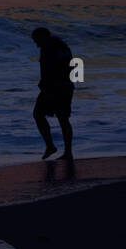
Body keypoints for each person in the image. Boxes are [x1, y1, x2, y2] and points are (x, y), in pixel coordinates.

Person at [31, 26, 75, 160]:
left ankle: (50, 145)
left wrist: (44, 85)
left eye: (36, 40)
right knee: (63, 119)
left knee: (38, 114)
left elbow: (48, 69)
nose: (36, 44)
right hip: (67, 86)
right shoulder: (63, 47)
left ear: (42, 37)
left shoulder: (47, 48)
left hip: (53, 88)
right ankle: (68, 152)